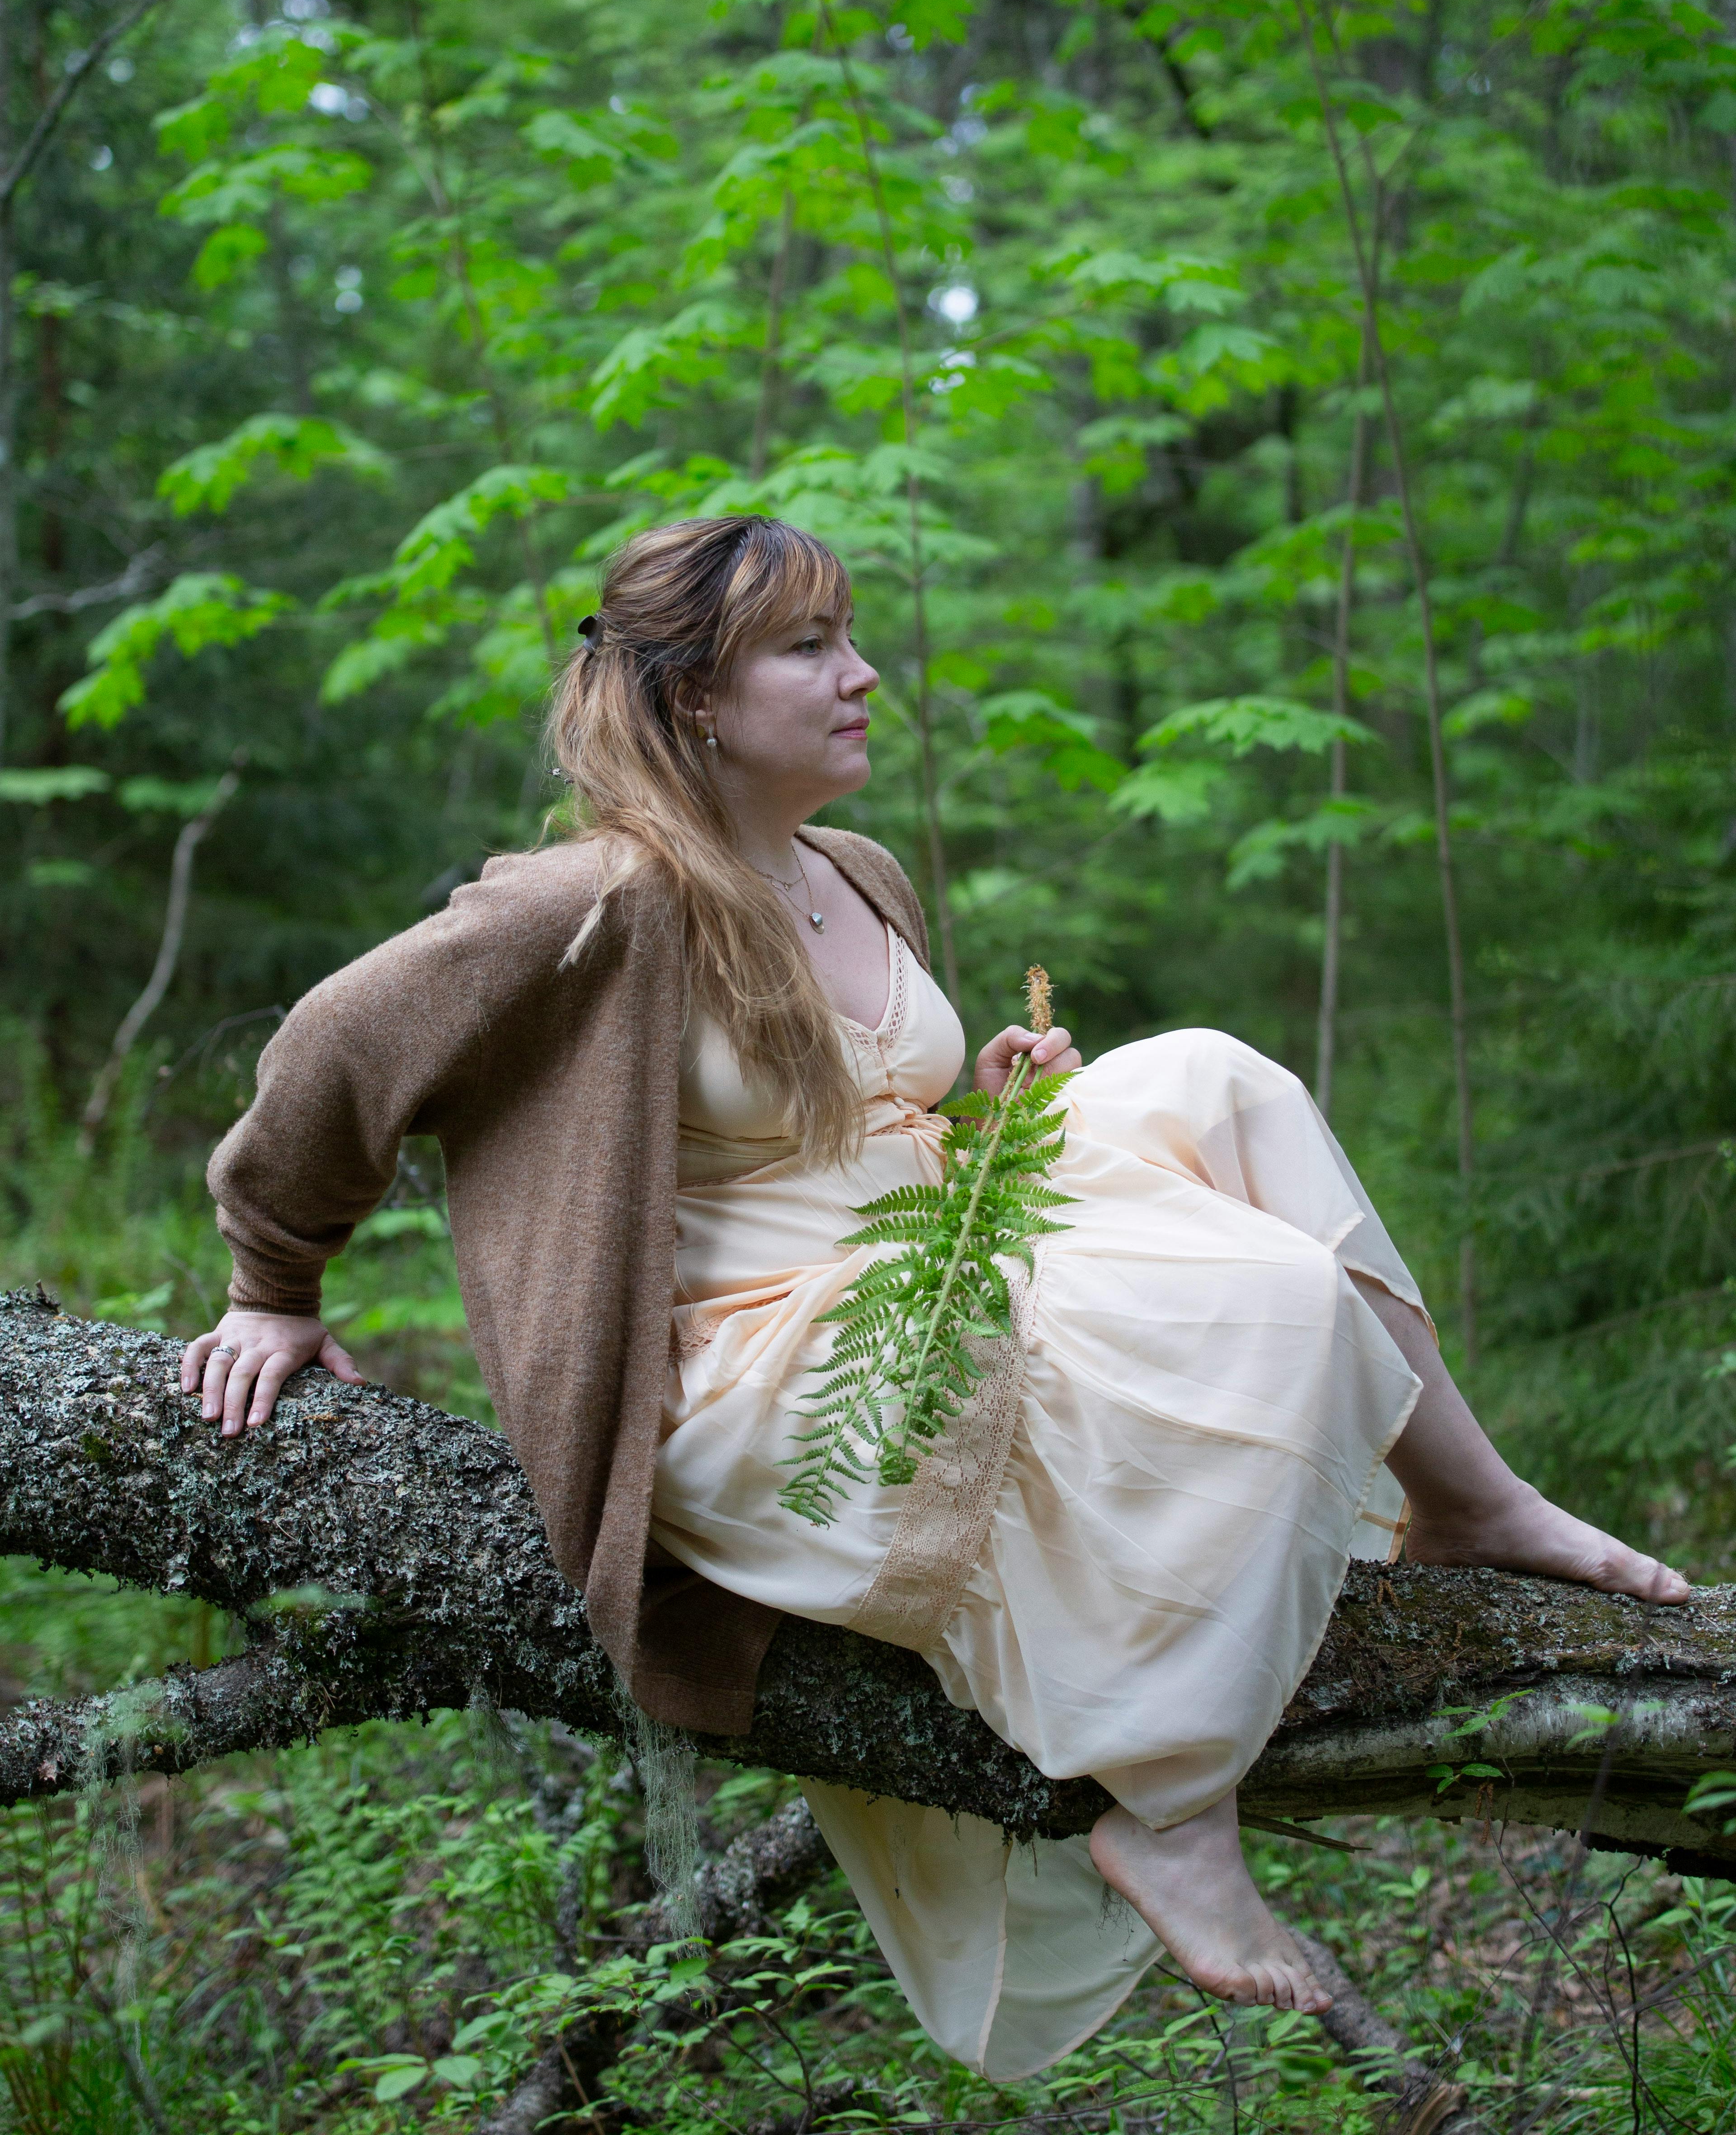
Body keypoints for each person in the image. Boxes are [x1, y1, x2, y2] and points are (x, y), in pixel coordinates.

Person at [181, 513, 1690, 2081]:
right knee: (1274, 1306)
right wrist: (272, 1279)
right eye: (812, 648)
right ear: (697, 693)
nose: (865, 675)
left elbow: (859, 1121)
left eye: (852, 639)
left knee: (1221, 1082)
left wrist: (982, 1104)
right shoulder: (598, 904)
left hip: (931, 1251)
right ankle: (1170, 1806)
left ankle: (1474, 1501)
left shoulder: (853, 870)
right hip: (775, 1365)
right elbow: (336, 1051)